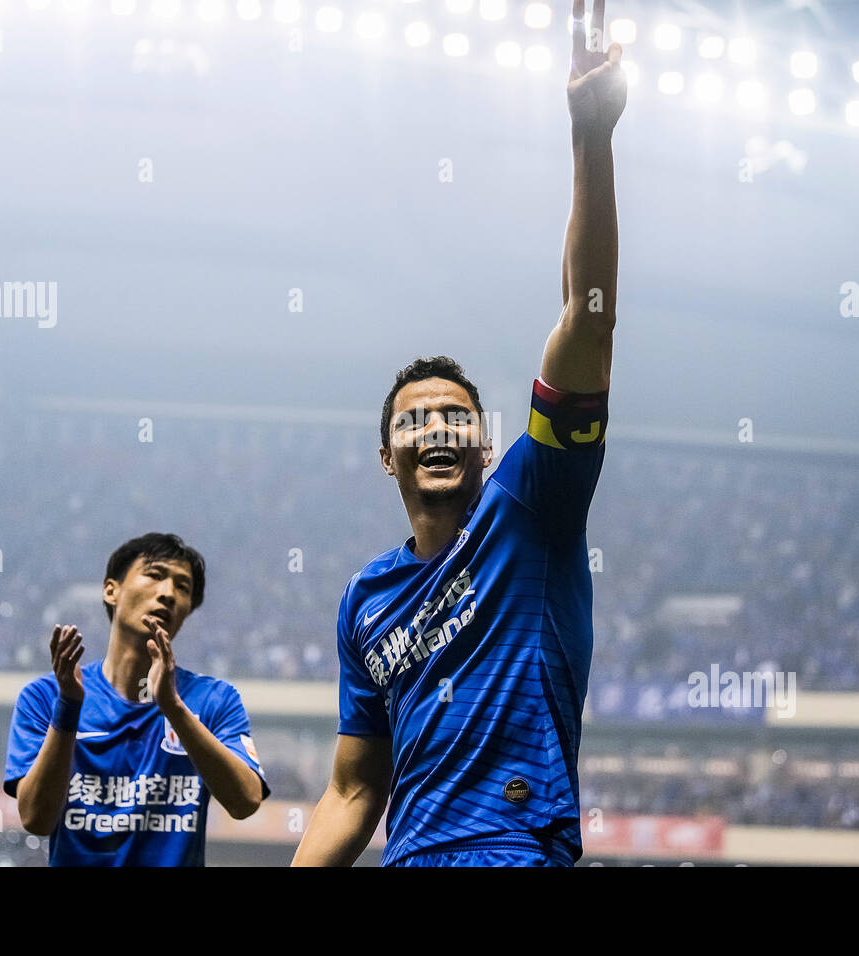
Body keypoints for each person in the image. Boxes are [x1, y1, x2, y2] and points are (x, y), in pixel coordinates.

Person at [292, 0, 625, 867]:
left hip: (515, 847)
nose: (435, 427)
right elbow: (356, 788)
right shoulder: (366, 600)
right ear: (386, 458)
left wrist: (591, 138)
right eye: (414, 419)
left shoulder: (530, 507)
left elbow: (585, 327)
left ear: (486, 448)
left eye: (456, 417)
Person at [4, 532, 268, 865]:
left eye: (182, 587)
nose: (168, 593)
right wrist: (69, 705)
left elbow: (246, 801)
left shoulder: (215, 700)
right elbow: (35, 819)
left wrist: (173, 708)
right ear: (111, 590)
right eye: (155, 575)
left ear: (188, 610)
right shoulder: (46, 697)